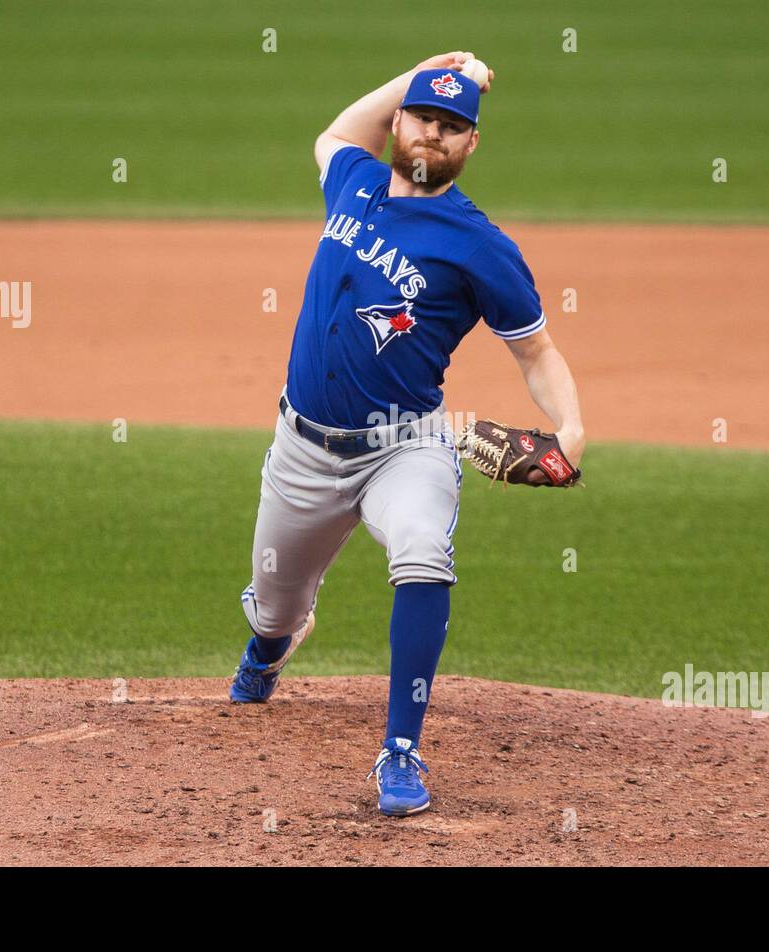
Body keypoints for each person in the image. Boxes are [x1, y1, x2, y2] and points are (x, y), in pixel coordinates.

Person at [228, 51, 586, 817]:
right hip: (303, 450)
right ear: (399, 122)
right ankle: (271, 646)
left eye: (453, 127)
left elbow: (537, 351)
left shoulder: (481, 245)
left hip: (407, 445)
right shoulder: (353, 180)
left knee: (423, 552)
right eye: (425, 117)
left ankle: (400, 752)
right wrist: (422, 71)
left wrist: (573, 428)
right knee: (273, 609)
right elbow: (330, 134)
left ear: (470, 146)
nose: (435, 134)